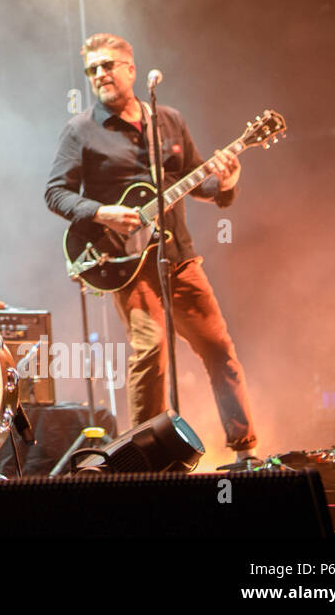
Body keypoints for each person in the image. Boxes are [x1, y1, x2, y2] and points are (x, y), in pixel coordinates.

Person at [45, 33, 260, 465]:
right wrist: (102, 212)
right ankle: (142, 460)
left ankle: (244, 451)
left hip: (178, 255)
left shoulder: (169, 119)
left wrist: (227, 182)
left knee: (219, 347)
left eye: (108, 65)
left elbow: (198, 178)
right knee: (151, 352)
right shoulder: (81, 130)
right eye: (92, 69)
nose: (100, 74)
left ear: (131, 69)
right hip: (126, 262)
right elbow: (55, 193)